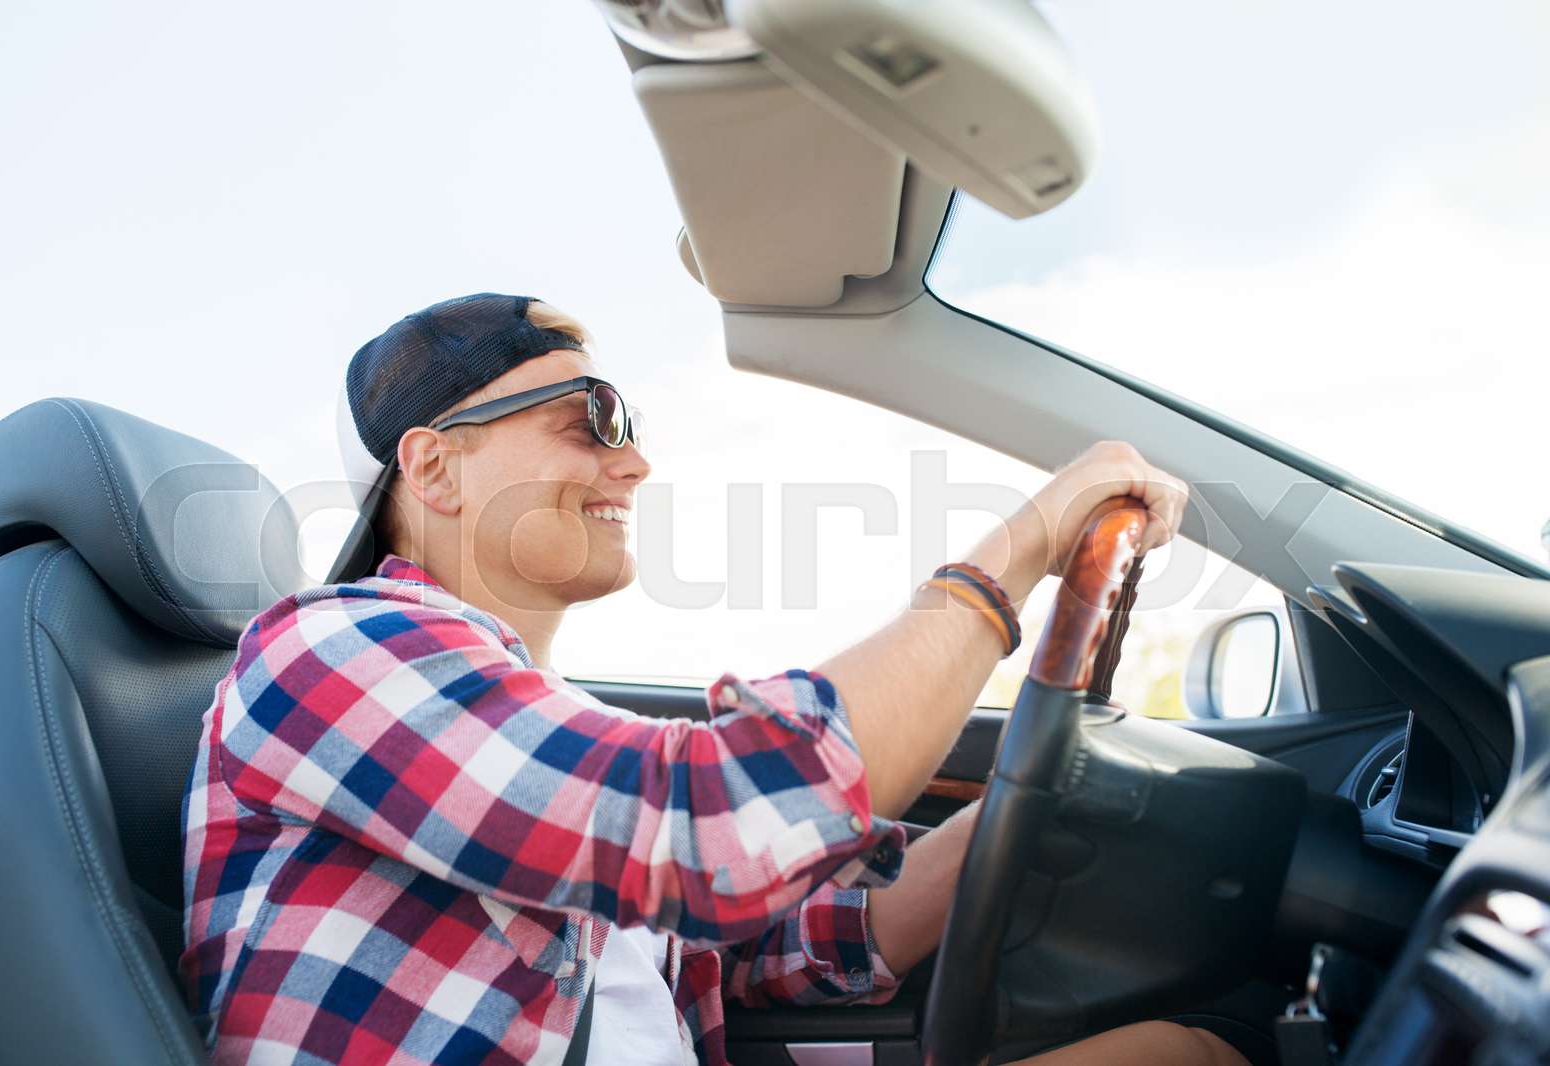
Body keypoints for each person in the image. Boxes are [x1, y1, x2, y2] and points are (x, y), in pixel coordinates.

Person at [180, 293, 1244, 1065]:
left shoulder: (537, 724)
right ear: (434, 467)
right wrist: (1017, 551)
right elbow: (715, 823)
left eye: (632, 428)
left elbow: (749, 946)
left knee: (1187, 1050)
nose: (634, 461)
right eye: (592, 417)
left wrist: (1003, 823)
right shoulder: (327, 650)